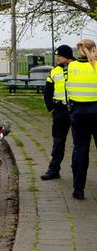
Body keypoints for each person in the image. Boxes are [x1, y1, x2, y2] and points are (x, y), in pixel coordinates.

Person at [65, 39, 97, 200]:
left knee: (80, 149)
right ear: (94, 49)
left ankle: (78, 189)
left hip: (78, 113)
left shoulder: (72, 67)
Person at [41, 45, 74, 181]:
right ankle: (54, 170)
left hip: (76, 109)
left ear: (67, 56)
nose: (57, 58)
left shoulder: (77, 68)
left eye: (59, 55)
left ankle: (77, 170)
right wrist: (51, 107)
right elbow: (47, 90)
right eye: (56, 56)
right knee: (58, 141)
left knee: (79, 143)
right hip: (60, 110)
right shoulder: (54, 71)